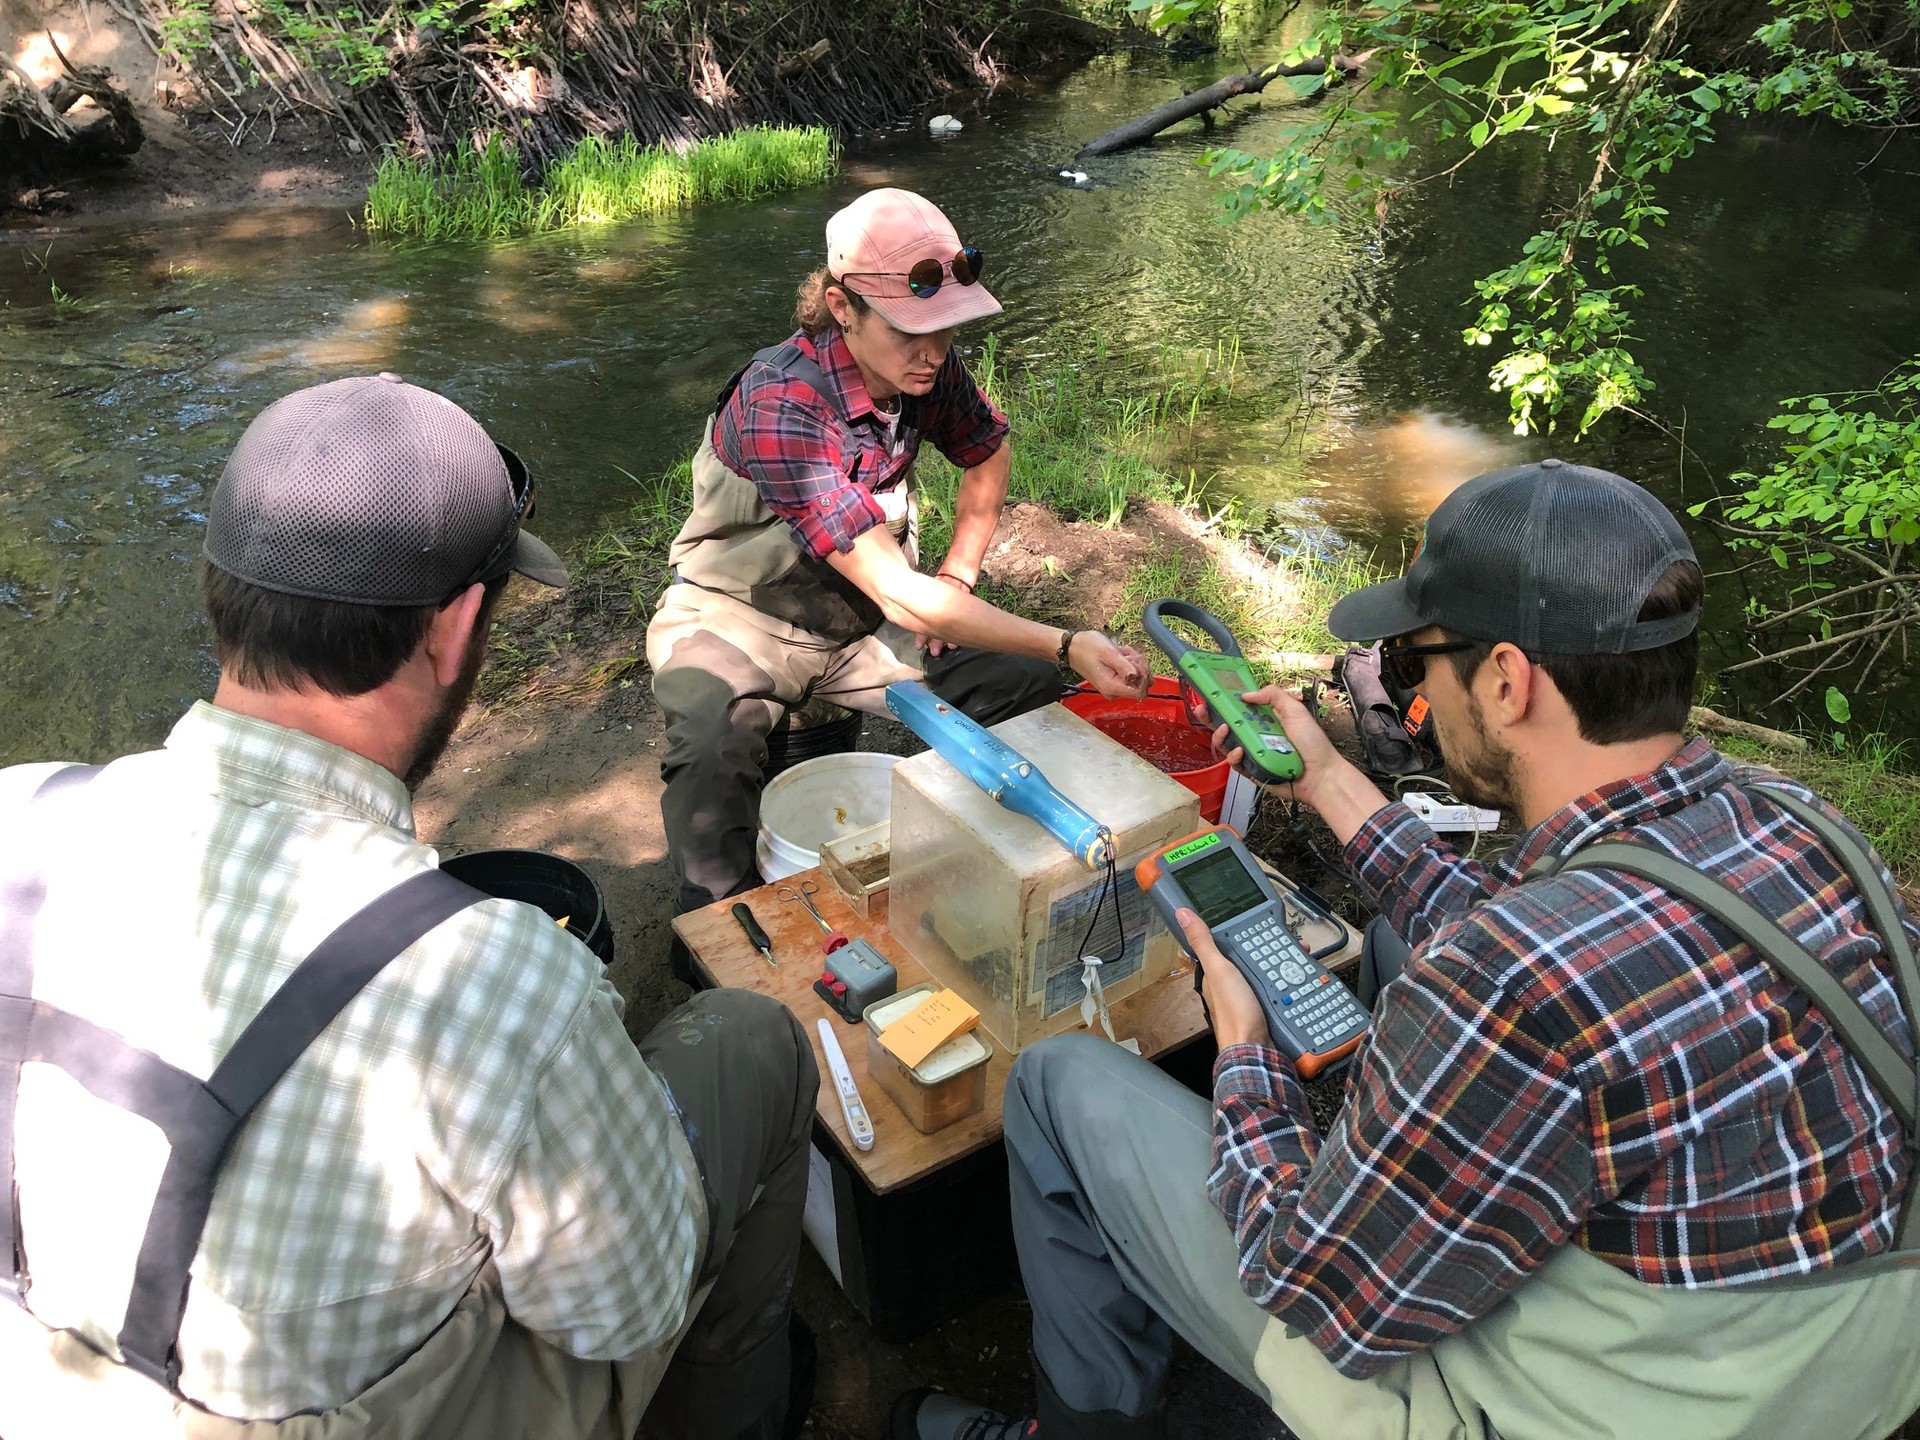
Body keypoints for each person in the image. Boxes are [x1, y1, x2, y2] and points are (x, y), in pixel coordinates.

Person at [893, 460, 1920, 1440]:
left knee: (1060, 1082)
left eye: (1415, 661)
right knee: (1390, 941)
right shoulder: (1800, 822)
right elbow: (1552, 955)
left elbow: (1313, 1280)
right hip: (1817, 1382)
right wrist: (1332, 782)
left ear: (1509, 682)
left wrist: (1246, 1049)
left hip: (1562, 1406)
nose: (1410, 686)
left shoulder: (1517, 981)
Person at [0, 375, 819, 1440]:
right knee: (753, 1040)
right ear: (456, 629)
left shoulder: (24, 810)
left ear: (222, 592)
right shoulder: (502, 981)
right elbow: (628, 1306)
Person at [647, 186, 1149, 938]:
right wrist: (1069, 642)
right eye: (912, 331)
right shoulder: (783, 402)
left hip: (864, 622)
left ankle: (998, 869)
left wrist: (958, 575)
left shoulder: (925, 370)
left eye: (947, 329)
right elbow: (901, 595)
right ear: (840, 305)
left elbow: (989, 455)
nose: (936, 352)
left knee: (1024, 685)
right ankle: (719, 931)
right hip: (738, 616)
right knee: (712, 735)